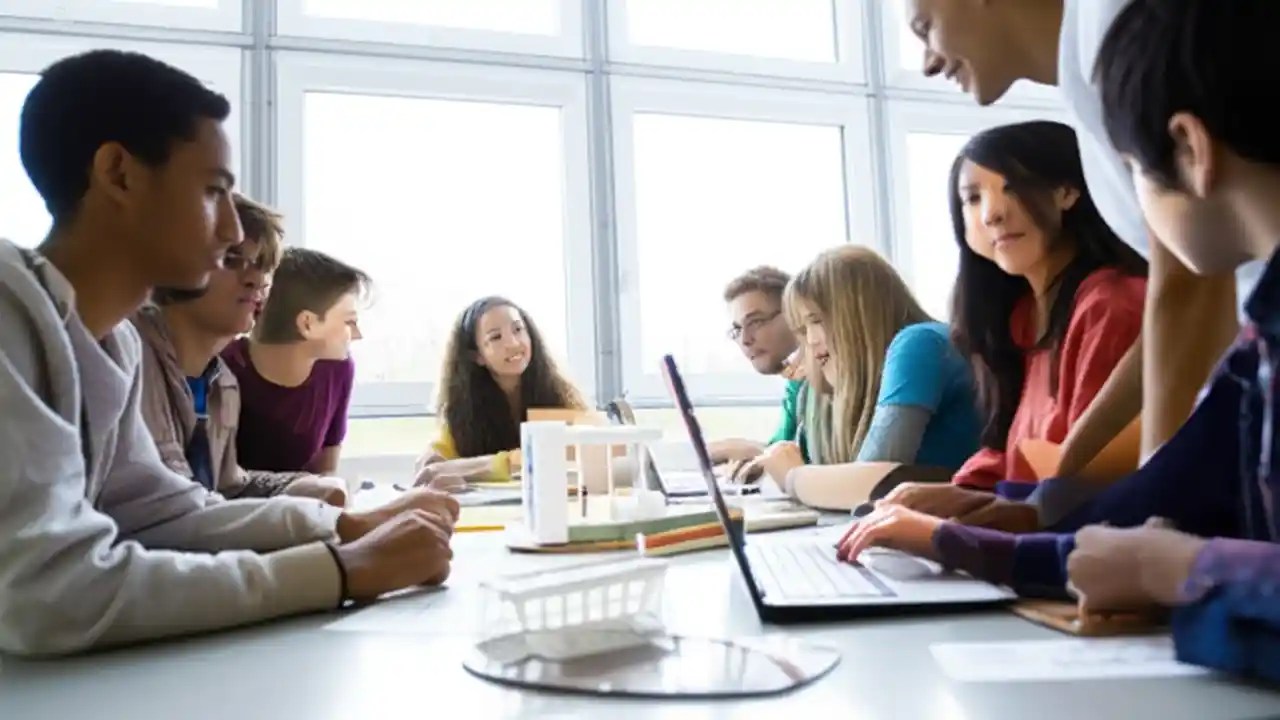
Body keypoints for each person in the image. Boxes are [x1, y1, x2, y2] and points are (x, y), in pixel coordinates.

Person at [841, 0, 1279, 682]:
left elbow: (1168, 509)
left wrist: (1182, 572)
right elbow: (1158, 504)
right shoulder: (1255, 354)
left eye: (1131, 166)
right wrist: (1005, 522)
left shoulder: (1115, 34)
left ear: (1190, 150)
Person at [0, 49, 458, 657]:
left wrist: (341, 526)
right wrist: (342, 570)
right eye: (213, 191)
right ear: (119, 174)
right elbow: (50, 595)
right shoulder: (11, 319)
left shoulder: (110, 341)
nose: (233, 233)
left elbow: (161, 514)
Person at [894, 0, 1248, 526]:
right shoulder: (1088, 77)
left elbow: (1189, 288)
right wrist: (1051, 491)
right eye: (971, 199)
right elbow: (1172, 303)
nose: (927, 62)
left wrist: (1154, 518)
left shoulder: (1118, 35)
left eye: (925, 28)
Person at [133, 193, 346, 506]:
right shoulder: (132, 360)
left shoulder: (223, 383)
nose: (256, 279)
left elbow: (231, 485)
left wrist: (313, 488)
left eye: (262, 266)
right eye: (232, 260)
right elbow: (175, 511)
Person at [740, 246, 981, 509]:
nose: (810, 340)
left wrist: (791, 476)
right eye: (803, 328)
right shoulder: (835, 390)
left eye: (817, 320)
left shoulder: (919, 343)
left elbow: (873, 485)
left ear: (859, 312)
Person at [221, 247, 366, 475]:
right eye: (350, 321)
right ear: (308, 323)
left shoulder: (338, 369)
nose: (358, 334)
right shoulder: (223, 371)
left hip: (304, 504)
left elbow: (326, 474)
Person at [414, 296, 587, 488]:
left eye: (518, 330)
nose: (513, 343)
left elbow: (588, 451)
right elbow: (431, 466)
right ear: (477, 355)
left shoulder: (561, 396)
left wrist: (494, 465)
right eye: (496, 337)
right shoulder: (465, 412)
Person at [710, 266, 807, 466]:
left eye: (755, 322)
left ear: (793, 315)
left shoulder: (821, 382)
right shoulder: (794, 383)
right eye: (737, 329)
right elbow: (783, 450)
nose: (745, 339)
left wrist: (754, 452)